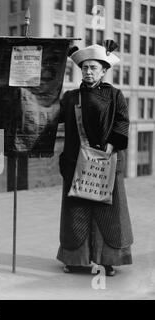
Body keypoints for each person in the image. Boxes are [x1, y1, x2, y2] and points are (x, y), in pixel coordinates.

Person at [56, 40, 133, 276]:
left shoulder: (115, 95)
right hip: (75, 162)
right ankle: (75, 259)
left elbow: (121, 122)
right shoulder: (70, 98)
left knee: (107, 213)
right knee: (76, 210)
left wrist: (111, 145)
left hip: (106, 162)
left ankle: (107, 260)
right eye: (85, 68)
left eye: (94, 68)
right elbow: (52, 119)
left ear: (104, 70)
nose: (88, 72)